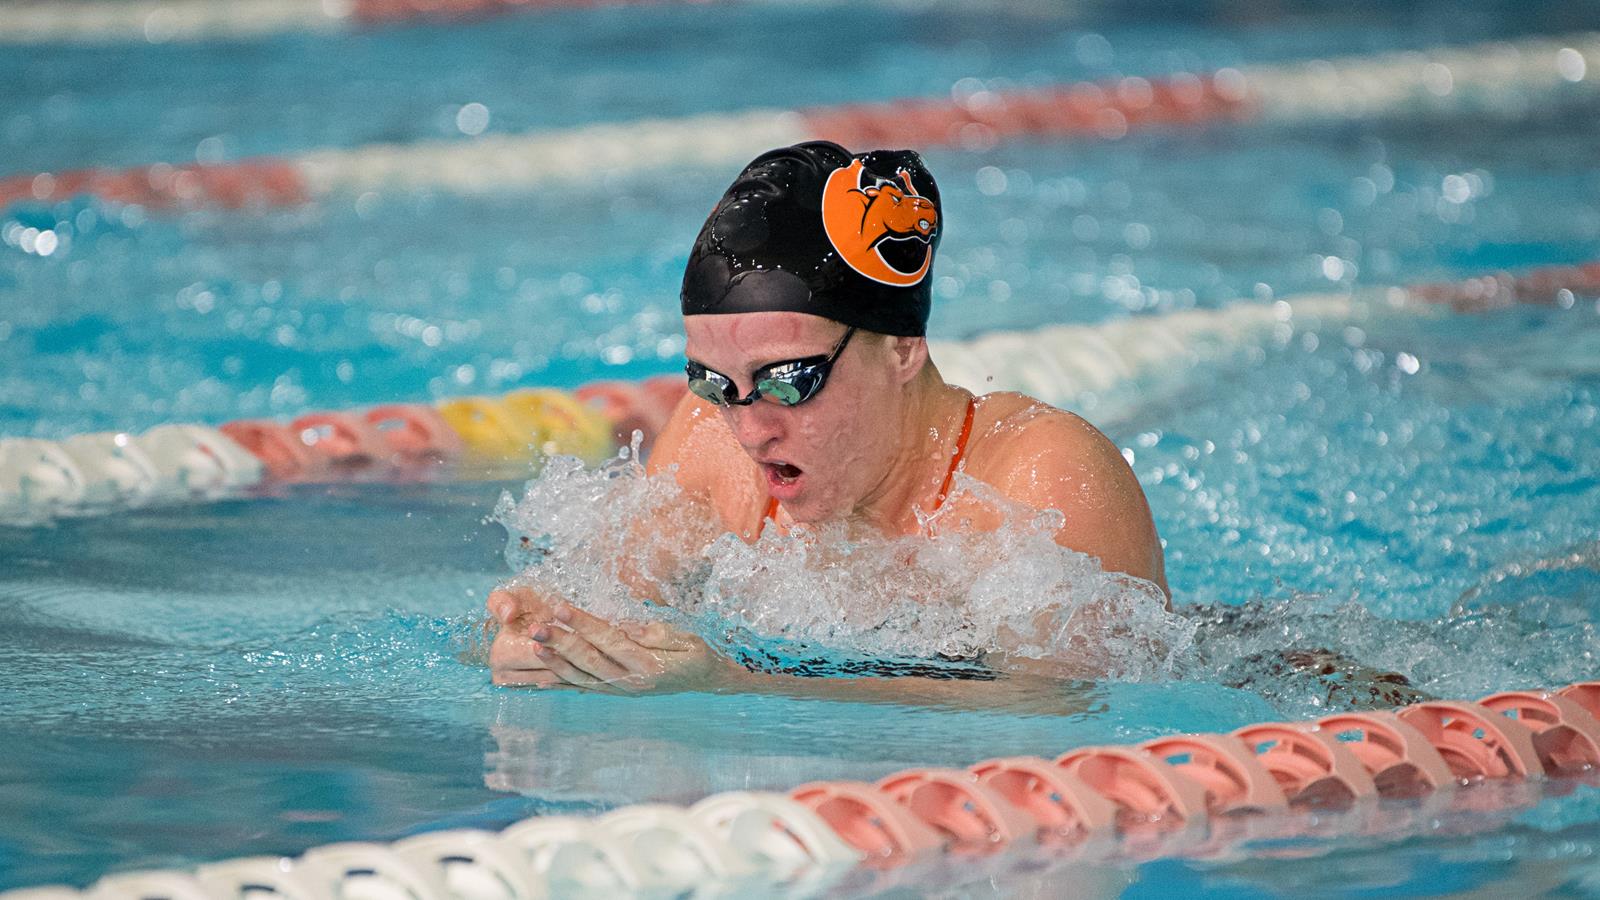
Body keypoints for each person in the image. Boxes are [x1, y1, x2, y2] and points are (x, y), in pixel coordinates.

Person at [487, 142, 1168, 700]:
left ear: (901, 347)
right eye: (714, 383)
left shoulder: (1041, 477)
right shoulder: (709, 440)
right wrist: (547, 640)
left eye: (789, 381)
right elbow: (608, 612)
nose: (750, 431)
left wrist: (739, 686)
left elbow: (1060, 708)